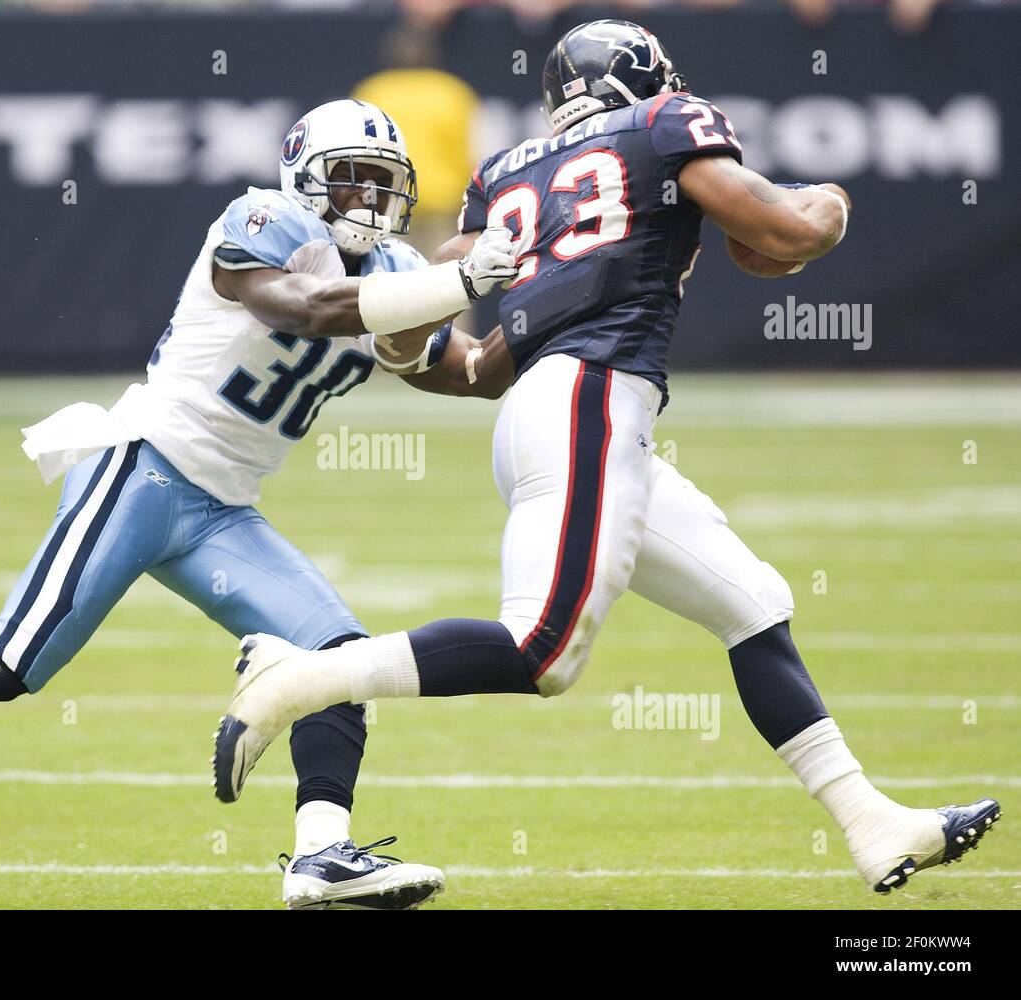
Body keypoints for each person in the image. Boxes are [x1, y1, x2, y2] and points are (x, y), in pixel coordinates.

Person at [210, 21, 1001, 895]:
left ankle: (874, 826)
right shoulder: (665, 124)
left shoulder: (512, 173)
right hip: (590, 403)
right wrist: (835, 202)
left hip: (554, 409)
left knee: (753, 603)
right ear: (645, 78)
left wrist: (404, 344)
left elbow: (463, 360)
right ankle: (300, 678)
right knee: (543, 652)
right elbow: (785, 230)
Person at [0, 98, 519, 910]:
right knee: (5, 668)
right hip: (143, 468)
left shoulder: (390, 275)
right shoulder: (262, 219)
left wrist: (557, 311)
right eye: (352, 180)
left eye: (384, 184)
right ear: (307, 177)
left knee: (334, 660)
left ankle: (320, 856)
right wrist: (456, 277)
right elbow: (302, 309)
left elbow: (471, 371)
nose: (371, 201)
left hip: (224, 507)